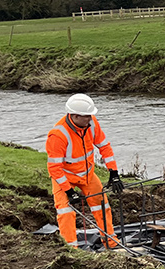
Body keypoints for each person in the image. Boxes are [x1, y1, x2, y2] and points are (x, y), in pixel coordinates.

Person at [46, 93, 123, 248]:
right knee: (65, 212)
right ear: (74, 116)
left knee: (102, 205)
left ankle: (111, 242)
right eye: (86, 116)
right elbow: (54, 168)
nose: (90, 118)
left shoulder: (91, 123)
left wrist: (113, 173)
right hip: (65, 178)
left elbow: (104, 146)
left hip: (87, 175)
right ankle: (72, 249)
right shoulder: (58, 135)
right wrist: (68, 191)